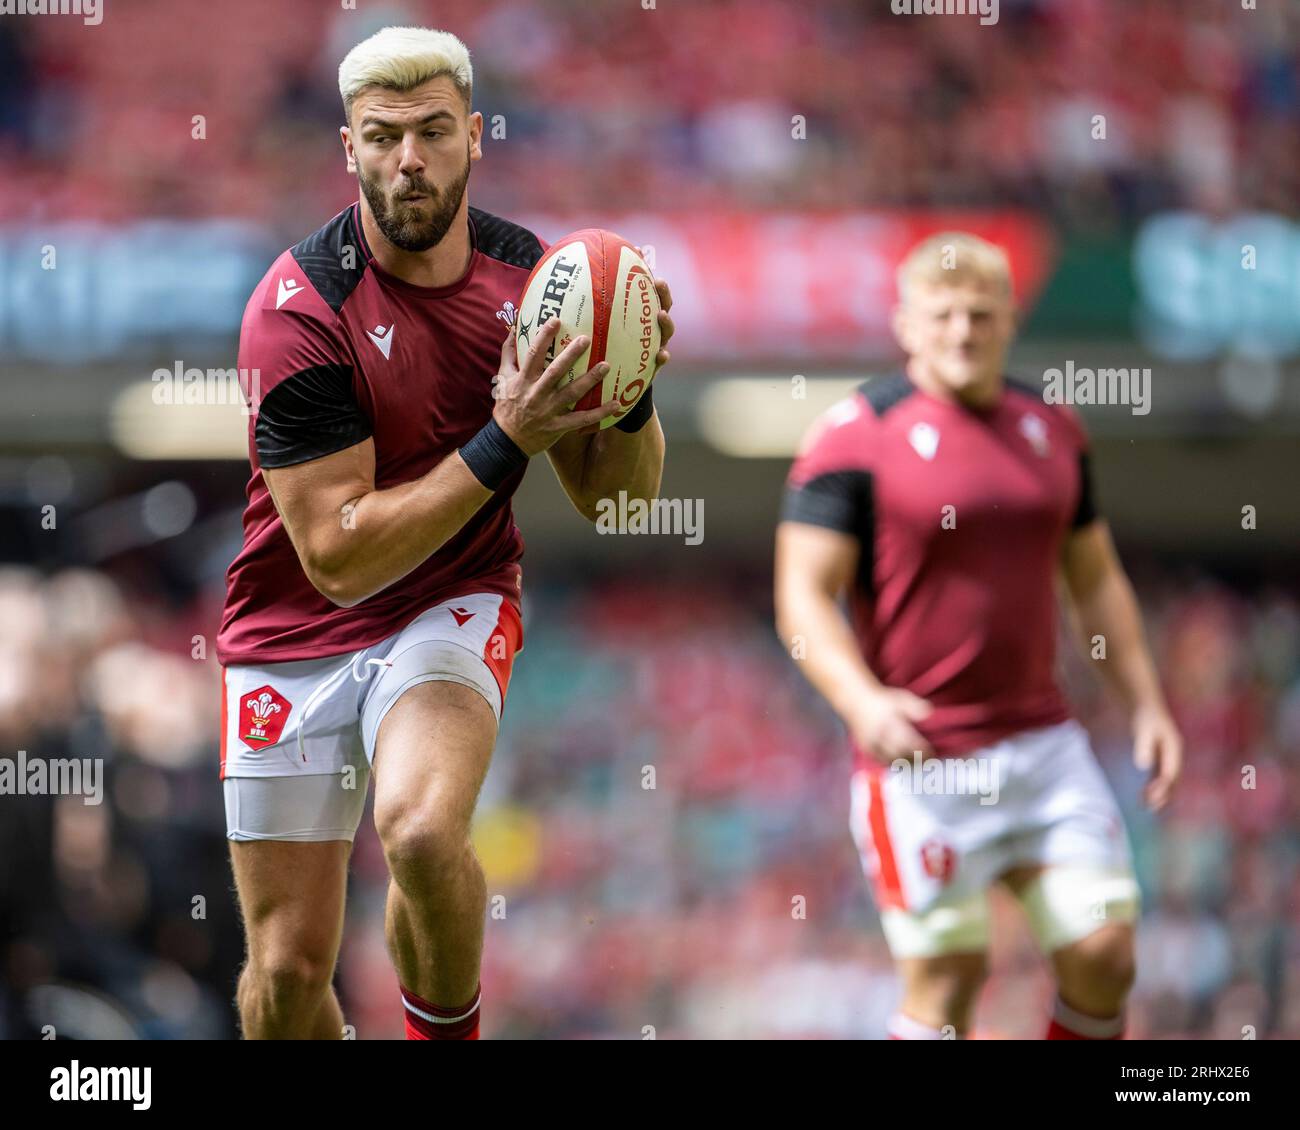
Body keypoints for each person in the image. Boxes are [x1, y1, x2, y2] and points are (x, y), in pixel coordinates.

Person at [216, 25, 673, 1040]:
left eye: (431, 131)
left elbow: (620, 501)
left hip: (448, 599)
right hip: (291, 630)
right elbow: (335, 558)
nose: (408, 159)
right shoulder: (294, 312)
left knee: (422, 830)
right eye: (382, 137)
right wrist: (507, 436)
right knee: (286, 979)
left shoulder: (532, 288)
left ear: (473, 136)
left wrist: (629, 394)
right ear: (348, 149)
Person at [774, 232, 1180, 1040]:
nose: (963, 331)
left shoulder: (1053, 428)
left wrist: (1147, 703)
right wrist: (863, 704)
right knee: (948, 986)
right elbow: (803, 598)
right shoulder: (852, 436)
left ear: (1009, 321)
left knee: (1104, 955)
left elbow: (1094, 577)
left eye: (982, 314)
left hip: (1044, 748)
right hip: (923, 760)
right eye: (944, 314)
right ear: (906, 324)